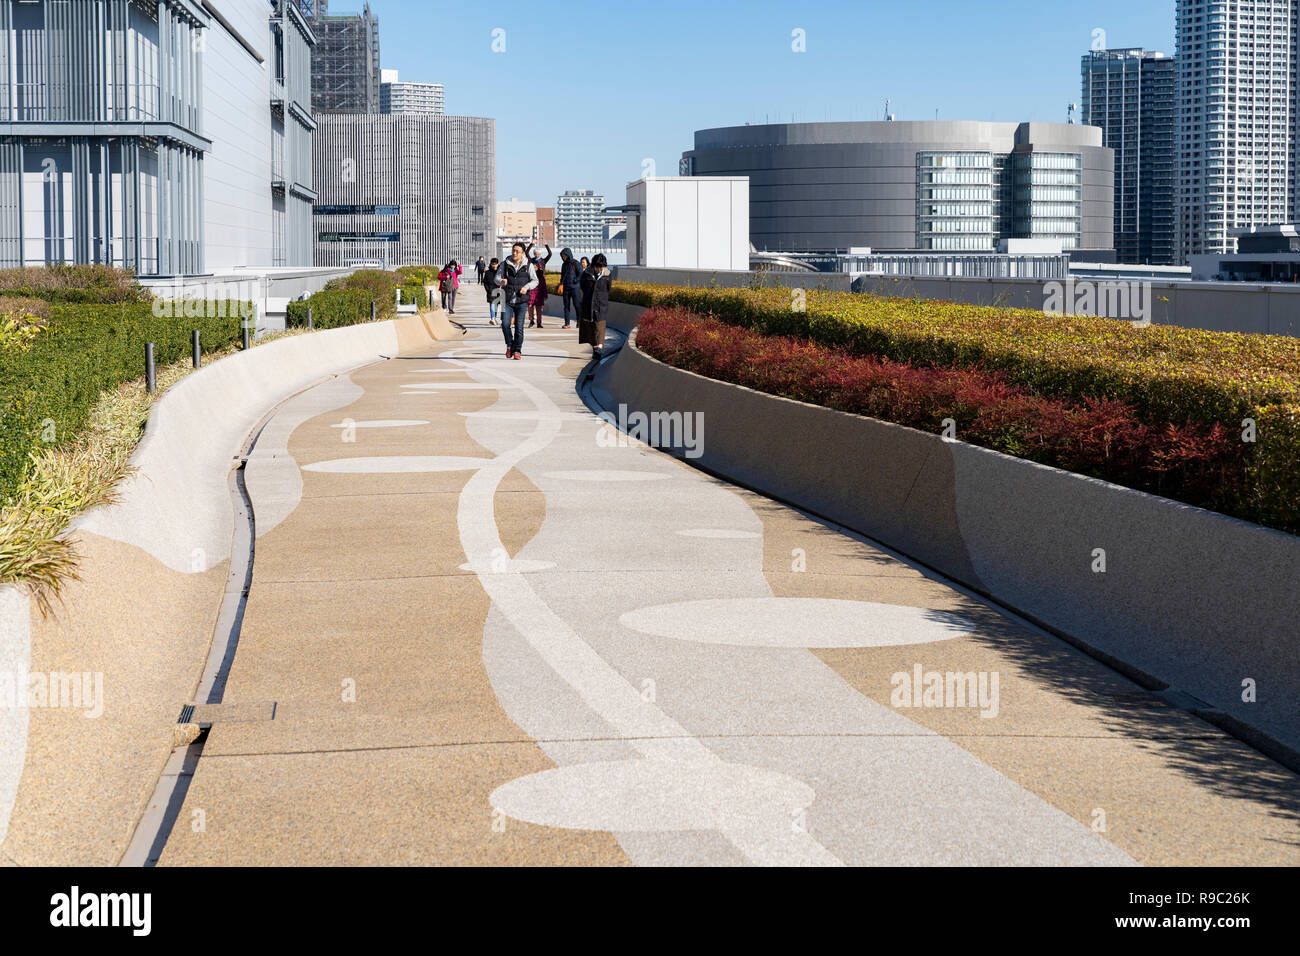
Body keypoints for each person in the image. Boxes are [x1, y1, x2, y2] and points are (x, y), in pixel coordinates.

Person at [495, 242, 536, 359]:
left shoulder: (528, 265)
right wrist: (501, 281)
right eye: (513, 250)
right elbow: (496, 278)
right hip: (507, 300)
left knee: (519, 327)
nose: (514, 253)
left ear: (522, 253)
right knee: (505, 324)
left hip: (521, 301)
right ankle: (509, 345)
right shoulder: (505, 264)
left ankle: (517, 350)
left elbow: (535, 280)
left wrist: (526, 287)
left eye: (517, 251)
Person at [578, 252, 612, 358]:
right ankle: (595, 348)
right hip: (588, 303)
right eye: (598, 266)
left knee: (600, 326)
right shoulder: (586, 274)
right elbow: (582, 286)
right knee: (591, 327)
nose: (599, 269)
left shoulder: (607, 274)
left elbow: (608, 288)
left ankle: (599, 348)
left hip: (601, 304)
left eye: (601, 266)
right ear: (593, 265)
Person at [525, 243, 552, 328]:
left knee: (539, 306)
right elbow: (526, 253)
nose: (537, 255)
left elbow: (550, 254)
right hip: (532, 283)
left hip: (540, 284)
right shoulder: (531, 260)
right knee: (530, 305)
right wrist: (532, 244)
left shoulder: (543, 261)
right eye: (536, 253)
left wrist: (546, 245)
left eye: (538, 253)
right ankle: (531, 321)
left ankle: (539, 323)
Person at [558, 248, 582, 329]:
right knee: (566, 306)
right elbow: (562, 276)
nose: (563, 257)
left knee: (577, 305)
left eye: (564, 255)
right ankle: (567, 323)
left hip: (575, 288)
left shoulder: (575, 263)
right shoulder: (563, 265)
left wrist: (576, 280)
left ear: (568, 255)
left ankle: (579, 321)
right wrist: (561, 284)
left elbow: (581, 274)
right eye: (562, 256)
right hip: (565, 288)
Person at [481, 256, 501, 325]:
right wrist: (488, 289)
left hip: (499, 292)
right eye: (493, 264)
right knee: (492, 305)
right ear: (491, 264)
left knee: (496, 306)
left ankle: (494, 318)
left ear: (498, 264)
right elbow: (485, 282)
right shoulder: (487, 272)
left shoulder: (501, 272)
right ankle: (492, 318)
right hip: (491, 291)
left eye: (495, 264)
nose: (494, 265)